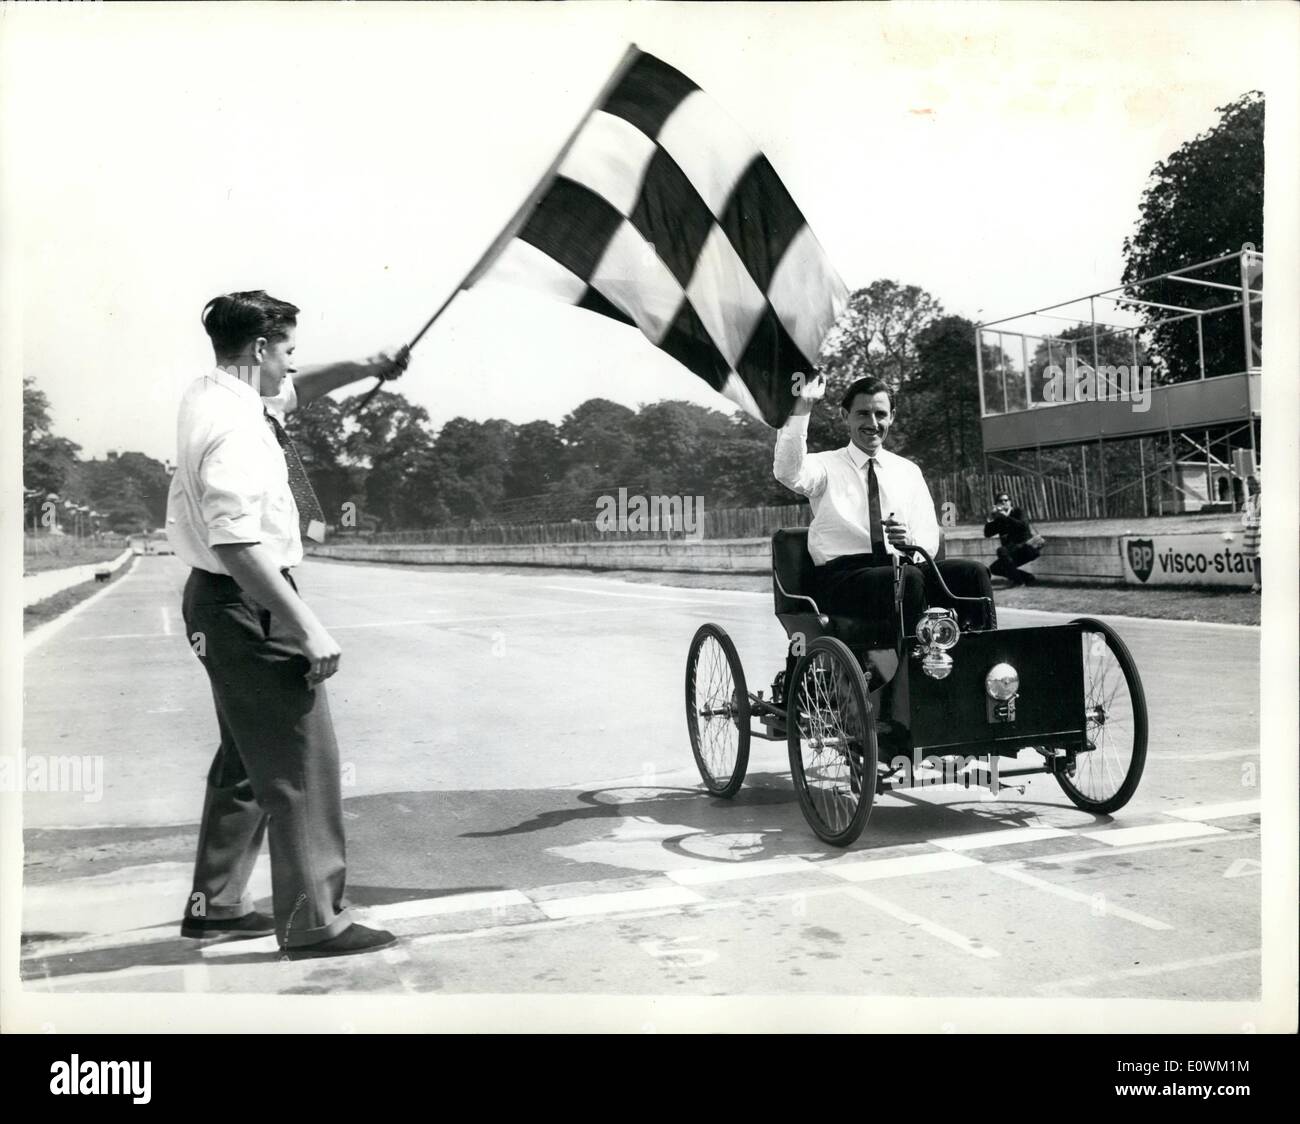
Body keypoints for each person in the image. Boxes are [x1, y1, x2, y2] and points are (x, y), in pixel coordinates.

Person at [167, 290, 409, 959]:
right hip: (248, 597)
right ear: (259, 349)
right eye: (289, 353)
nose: (294, 368)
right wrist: (305, 625)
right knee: (303, 762)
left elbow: (294, 397)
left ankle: (216, 903)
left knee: (248, 757)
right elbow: (237, 542)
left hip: (217, 603)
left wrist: (367, 365)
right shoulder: (239, 428)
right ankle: (313, 921)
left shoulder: (215, 393)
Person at [773, 373, 994, 636]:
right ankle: (914, 669)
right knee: (905, 580)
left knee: (974, 573)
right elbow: (787, 471)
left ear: (892, 417)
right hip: (844, 578)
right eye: (863, 414)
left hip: (902, 568)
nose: (873, 423)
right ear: (845, 417)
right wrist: (802, 409)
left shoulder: (908, 470)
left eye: (880, 414)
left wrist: (909, 539)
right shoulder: (824, 466)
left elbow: (928, 536)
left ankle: (985, 664)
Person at [983, 491, 1040, 586]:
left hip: (1026, 549)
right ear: (996, 504)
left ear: (1010, 502)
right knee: (994, 568)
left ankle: (1018, 582)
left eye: (1006, 500)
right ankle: (1028, 577)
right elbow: (988, 534)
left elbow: (1023, 526)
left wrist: (1006, 516)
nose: (1003, 502)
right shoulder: (999, 519)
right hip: (1011, 553)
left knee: (1001, 550)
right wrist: (990, 518)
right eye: (1000, 501)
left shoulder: (1018, 512)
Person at [1241, 472, 1261, 594]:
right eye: (1252, 485)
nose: (1255, 486)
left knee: (1264, 556)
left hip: (1265, 530)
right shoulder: (1250, 499)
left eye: (1257, 483)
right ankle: (1257, 582)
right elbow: (1246, 519)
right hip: (1254, 531)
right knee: (1256, 558)